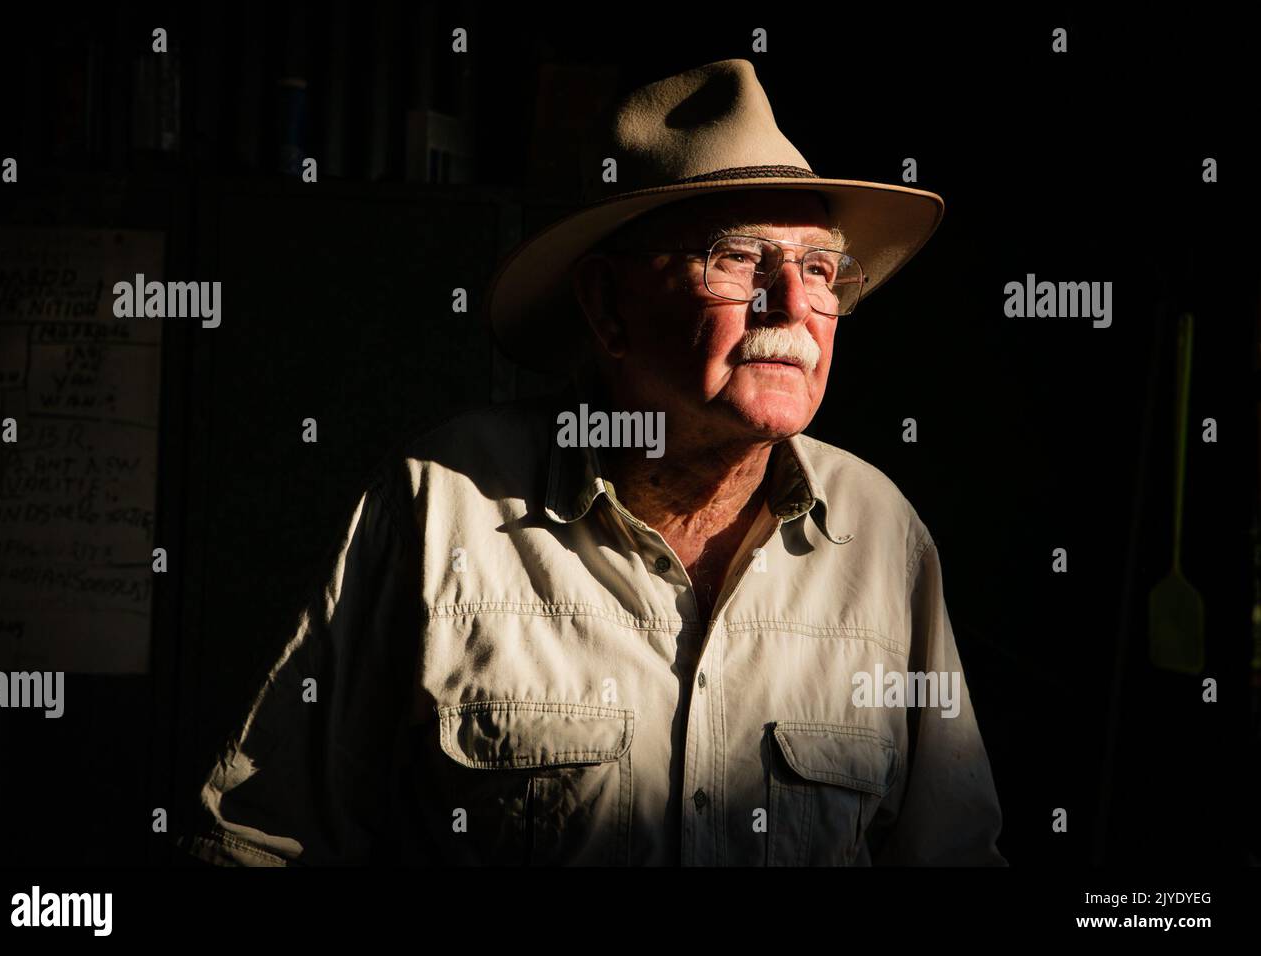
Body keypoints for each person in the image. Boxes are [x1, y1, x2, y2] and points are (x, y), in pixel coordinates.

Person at [180, 58, 1006, 866]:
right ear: (608, 305)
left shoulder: (880, 534)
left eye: (819, 268)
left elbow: (955, 851)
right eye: (738, 258)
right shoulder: (441, 506)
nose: (791, 303)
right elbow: (258, 840)